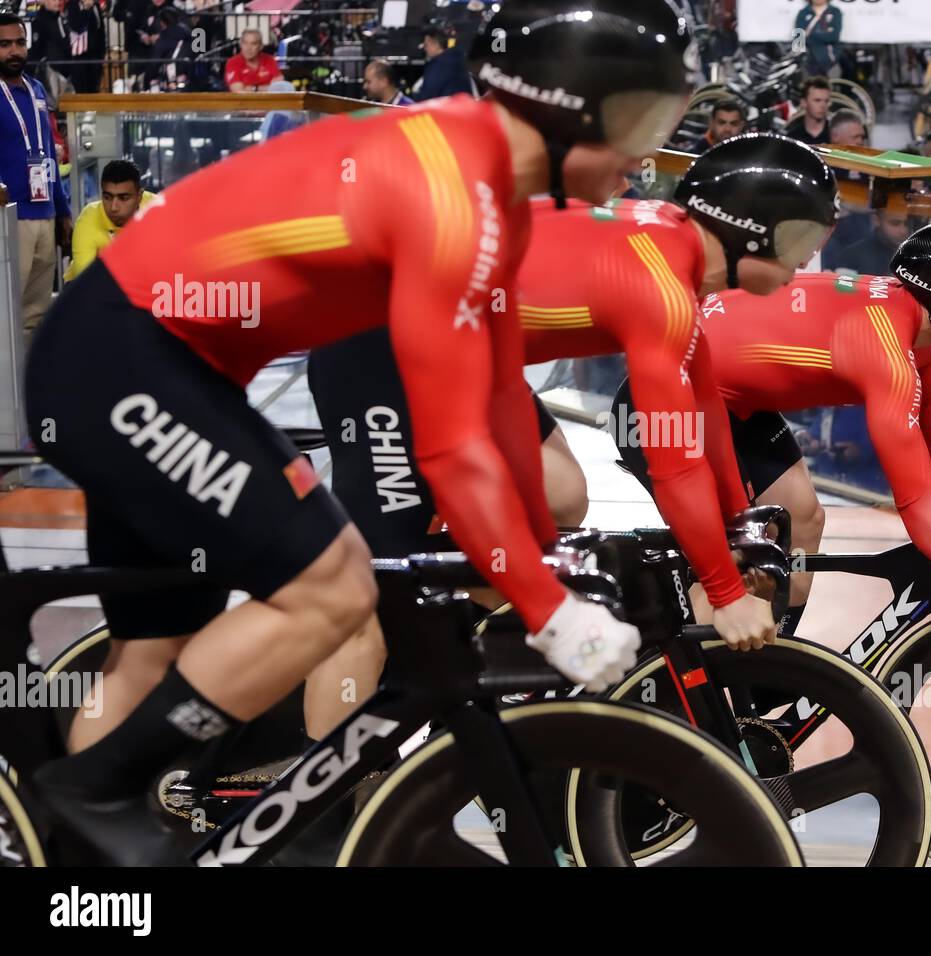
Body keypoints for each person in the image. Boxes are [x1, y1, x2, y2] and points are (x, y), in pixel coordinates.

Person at [21, 0, 696, 865]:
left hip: (145, 356)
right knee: (334, 587)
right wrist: (543, 606)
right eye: (638, 122)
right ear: (562, 112)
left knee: (152, 651)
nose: (647, 153)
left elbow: (496, 409)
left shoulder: (494, 195)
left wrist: (536, 564)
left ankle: (72, 876)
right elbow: (451, 447)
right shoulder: (456, 196)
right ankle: (95, 787)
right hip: (126, 356)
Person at [308, 135, 840, 709]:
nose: (805, 265)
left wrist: (739, 528)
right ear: (749, 231)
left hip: (465, 355)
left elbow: (706, 410)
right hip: (378, 348)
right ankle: (336, 791)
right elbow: (675, 464)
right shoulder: (661, 286)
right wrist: (725, 588)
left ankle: (457, 631)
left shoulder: (679, 259)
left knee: (561, 497)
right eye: (800, 242)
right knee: (372, 599)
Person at [621, 220, 931, 633]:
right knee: (737, 560)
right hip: (666, 399)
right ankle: (695, 689)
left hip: (730, 401)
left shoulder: (921, 332)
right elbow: (915, 496)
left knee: (801, 519)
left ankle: (773, 668)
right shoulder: (885, 346)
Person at [0, 14, 72, 344]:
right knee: (4, 313)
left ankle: (26, 394)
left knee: (35, 317)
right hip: (8, 217)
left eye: (19, 43)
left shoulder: (38, 89)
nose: (14, 51)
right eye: (4, 44)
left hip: (45, 214)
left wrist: (64, 210)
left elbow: (47, 153)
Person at [65, 159, 157, 281]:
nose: (114, 207)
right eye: (107, 197)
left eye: (124, 198)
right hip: (89, 287)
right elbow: (85, 281)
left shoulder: (157, 210)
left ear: (139, 196)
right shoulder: (89, 218)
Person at [829, 207, 910, 276]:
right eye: (895, 223)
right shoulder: (851, 256)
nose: (903, 230)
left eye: (907, 223)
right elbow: (844, 292)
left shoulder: (914, 255)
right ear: (876, 220)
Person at [413, 25, 472, 102]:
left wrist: (414, 96)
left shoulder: (439, 66)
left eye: (426, 45)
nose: (425, 49)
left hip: (444, 111)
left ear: (436, 44)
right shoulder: (457, 61)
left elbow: (427, 97)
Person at [794, 0, 843, 78]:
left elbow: (833, 37)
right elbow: (798, 41)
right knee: (808, 87)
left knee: (832, 87)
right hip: (807, 62)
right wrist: (823, 35)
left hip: (830, 60)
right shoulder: (803, 12)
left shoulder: (835, 12)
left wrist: (809, 35)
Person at [786, 76, 832, 146]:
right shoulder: (792, 139)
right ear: (804, 102)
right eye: (817, 100)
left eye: (826, 101)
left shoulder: (836, 135)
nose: (823, 105)